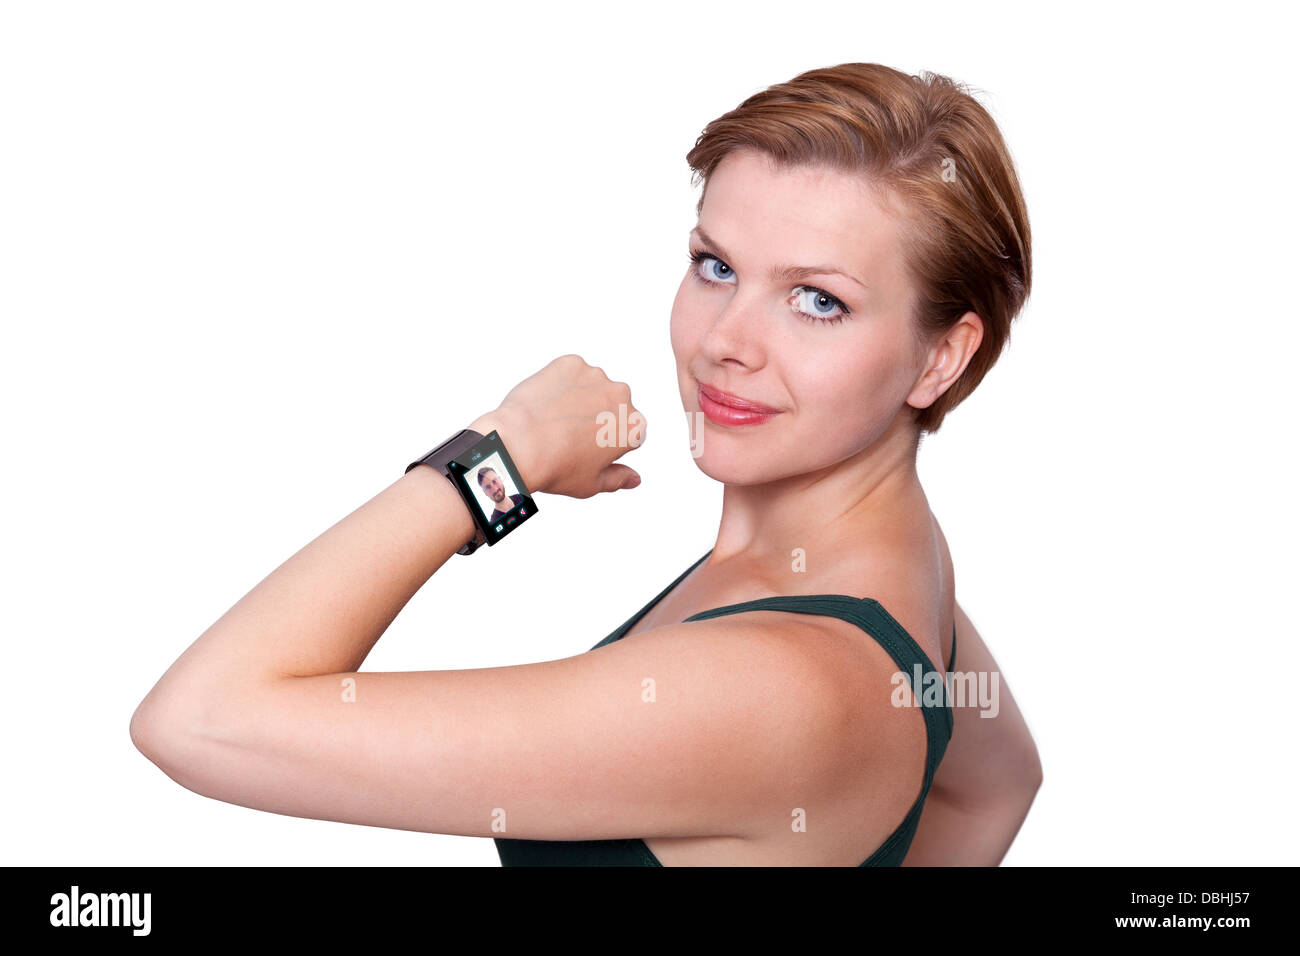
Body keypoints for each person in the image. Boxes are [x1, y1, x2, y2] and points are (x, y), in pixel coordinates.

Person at [130, 62, 1042, 866]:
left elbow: (200, 719)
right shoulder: (894, 567)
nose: (724, 341)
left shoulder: (782, 685)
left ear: (941, 359)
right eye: (716, 267)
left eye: (817, 300)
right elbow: (992, 786)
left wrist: (499, 456)